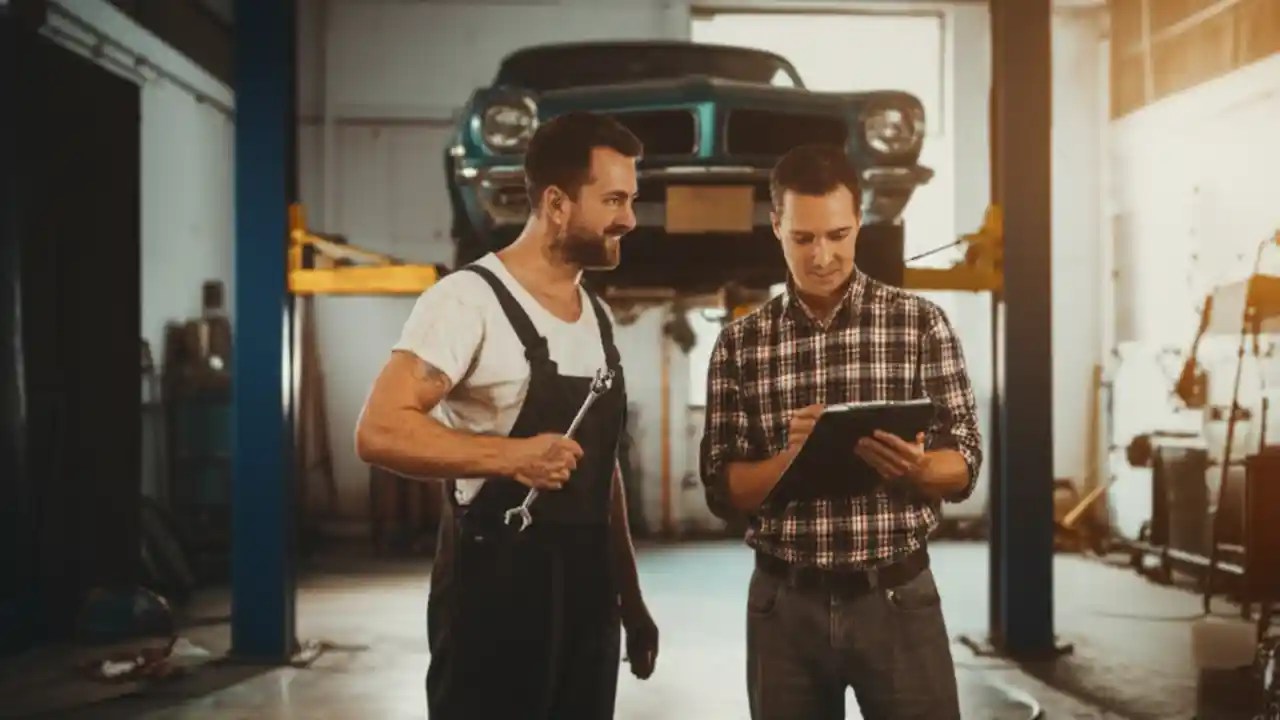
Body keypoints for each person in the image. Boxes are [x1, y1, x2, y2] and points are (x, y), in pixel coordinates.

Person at [355, 111, 659, 719]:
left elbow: (602, 472)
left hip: (588, 595)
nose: (629, 218)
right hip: (496, 587)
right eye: (614, 199)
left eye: (632, 199)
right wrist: (512, 456)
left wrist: (629, 596)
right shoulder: (468, 300)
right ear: (557, 203)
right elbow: (379, 428)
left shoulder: (595, 315)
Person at [700, 143, 982, 720]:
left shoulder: (920, 324)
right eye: (803, 238)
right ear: (776, 226)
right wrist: (793, 455)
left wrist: (920, 469)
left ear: (859, 223)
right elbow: (724, 492)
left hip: (899, 599)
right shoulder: (741, 344)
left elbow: (966, 463)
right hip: (784, 609)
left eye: (838, 234)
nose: (823, 254)